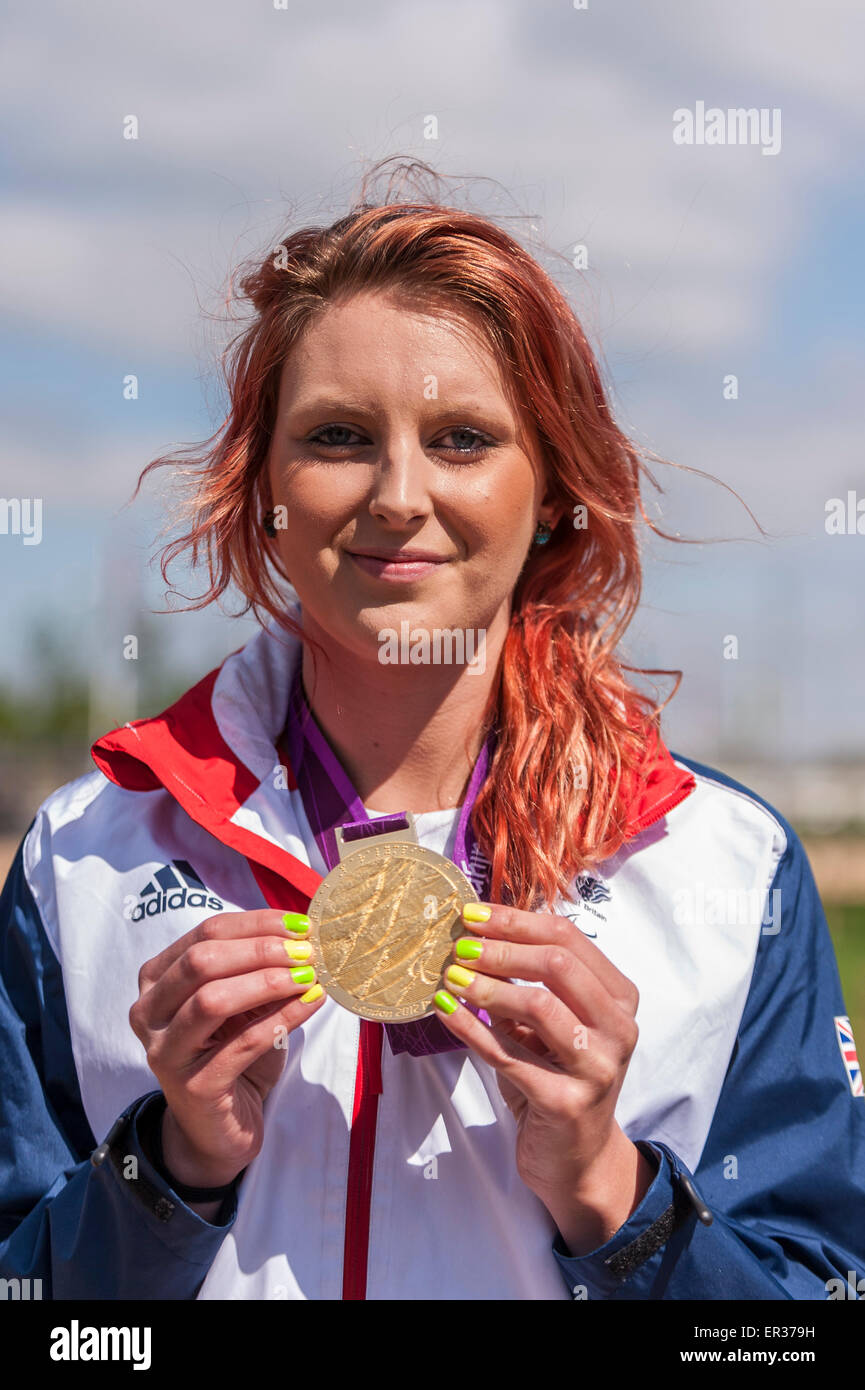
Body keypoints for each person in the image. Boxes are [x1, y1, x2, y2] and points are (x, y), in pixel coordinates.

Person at [1, 171, 864, 1301]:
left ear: (553, 485)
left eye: (461, 437)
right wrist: (168, 1170)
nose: (398, 494)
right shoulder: (87, 856)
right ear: (262, 486)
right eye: (339, 435)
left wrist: (612, 1192)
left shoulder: (723, 867)